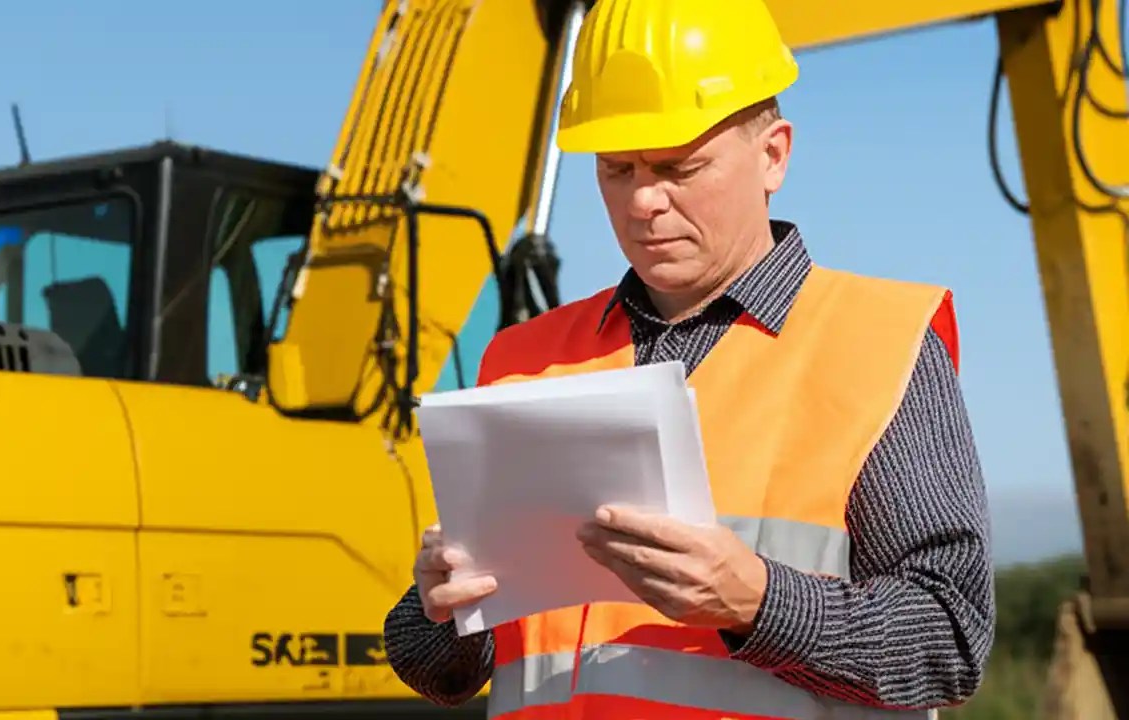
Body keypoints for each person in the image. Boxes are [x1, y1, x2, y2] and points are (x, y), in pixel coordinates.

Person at [383, 0, 995, 717]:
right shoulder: (525, 359)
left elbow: (949, 640)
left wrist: (759, 603)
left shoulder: (879, 343)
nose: (644, 200)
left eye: (679, 166)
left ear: (773, 155)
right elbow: (443, 671)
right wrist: (439, 612)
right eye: (617, 169)